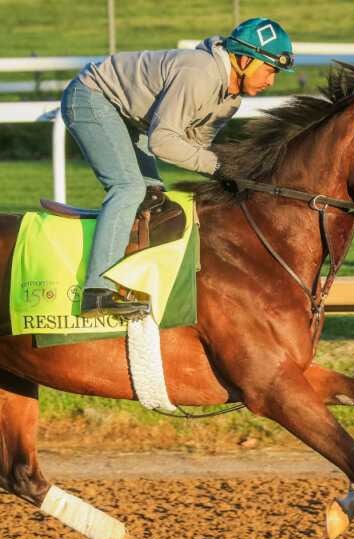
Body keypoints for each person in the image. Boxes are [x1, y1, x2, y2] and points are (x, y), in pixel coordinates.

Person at [61, 17, 295, 317]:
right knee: (129, 187)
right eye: (269, 70)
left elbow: (195, 146)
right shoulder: (200, 74)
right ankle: (97, 291)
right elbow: (162, 142)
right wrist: (218, 166)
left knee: (153, 196)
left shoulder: (231, 100)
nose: (271, 81)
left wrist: (238, 171)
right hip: (91, 97)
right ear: (246, 59)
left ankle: (132, 282)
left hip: (130, 119)